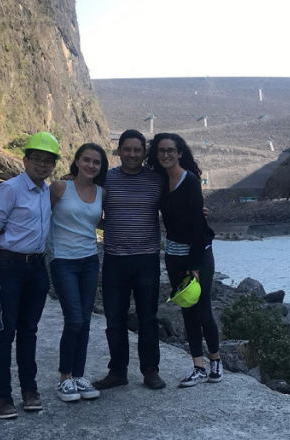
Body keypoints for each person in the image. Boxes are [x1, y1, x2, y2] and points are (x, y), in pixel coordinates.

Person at [0, 132, 59, 419]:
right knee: (4, 332)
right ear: (25, 160)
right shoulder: (11, 189)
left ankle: (30, 390)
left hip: (37, 268)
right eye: (37, 159)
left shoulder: (47, 191)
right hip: (9, 267)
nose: (42, 165)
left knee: (29, 331)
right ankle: (2, 397)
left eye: (48, 161)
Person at [146, 133, 222, 387]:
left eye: (171, 150)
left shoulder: (189, 181)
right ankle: (198, 367)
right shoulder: (159, 181)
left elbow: (200, 227)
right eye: (161, 151)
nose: (166, 154)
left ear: (180, 153)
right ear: (157, 155)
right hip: (173, 255)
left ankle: (216, 362)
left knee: (202, 311)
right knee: (187, 311)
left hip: (197, 255)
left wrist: (194, 266)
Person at [93, 129, 167, 390]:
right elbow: (88, 208)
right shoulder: (106, 180)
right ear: (119, 150)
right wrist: (109, 225)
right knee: (115, 319)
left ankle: (150, 371)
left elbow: (174, 205)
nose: (132, 154)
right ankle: (118, 372)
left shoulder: (156, 180)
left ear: (144, 152)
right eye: (127, 149)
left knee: (148, 318)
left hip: (147, 260)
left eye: (137, 150)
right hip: (114, 259)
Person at [46, 143, 108, 402]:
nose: (91, 165)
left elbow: (100, 221)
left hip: (89, 261)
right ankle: (64, 379)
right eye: (87, 160)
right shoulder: (60, 188)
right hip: (62, 261)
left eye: (96, 162)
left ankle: (79, 376)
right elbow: (38, 215)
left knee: (84, 319)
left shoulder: (101, 192)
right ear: (77, 161)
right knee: (73, 320)